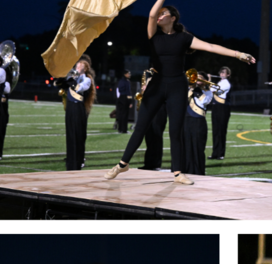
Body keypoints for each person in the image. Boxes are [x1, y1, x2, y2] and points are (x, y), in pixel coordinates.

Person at [104, 0, 255, 186]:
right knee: (141, 127)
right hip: (157, 85)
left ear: (173, 18)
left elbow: (210, 47)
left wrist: (238, 54)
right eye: (159, 13)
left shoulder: (184, 38)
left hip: (177, 86)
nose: (159, 16)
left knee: (175, 131)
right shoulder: (153, 35)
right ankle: (122, 164)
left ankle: (177, 173)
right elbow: (151, 14)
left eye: (163, 13)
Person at [63, 56, 96, 171]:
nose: (76, 67)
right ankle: (70, 161)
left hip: (78, 109)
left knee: (78, 135)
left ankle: (78, 161)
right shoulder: (73, 77)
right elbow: (60, 84)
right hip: (70, 108)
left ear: (85, 69)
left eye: (79, 66)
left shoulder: (87, 80)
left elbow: (79, 88)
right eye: (76, 65)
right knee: (70, 134)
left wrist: (70, 80)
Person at [184, 75, 217, 175]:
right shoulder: (189, 89)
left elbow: (205, 101)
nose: (196, 79)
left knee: (198, 148)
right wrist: (191, 88)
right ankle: (187, 170)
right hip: (186, 121)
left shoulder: (208, 92)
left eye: (200, 78)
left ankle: (198, 171)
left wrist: (197, 91)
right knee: (187, 147)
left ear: (204, 80)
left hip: (198, 122)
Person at [208, 66, 232, 159]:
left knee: (221, 131)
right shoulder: (219, 83)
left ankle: (221, 154)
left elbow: (213, 90)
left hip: (223, 108)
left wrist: (209, 79)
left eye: (224, 72)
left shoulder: (226, 84)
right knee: (215, 131)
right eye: (221, 72)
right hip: (216, 107)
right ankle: (215, 153)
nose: (221, 74)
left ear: (228, 74)